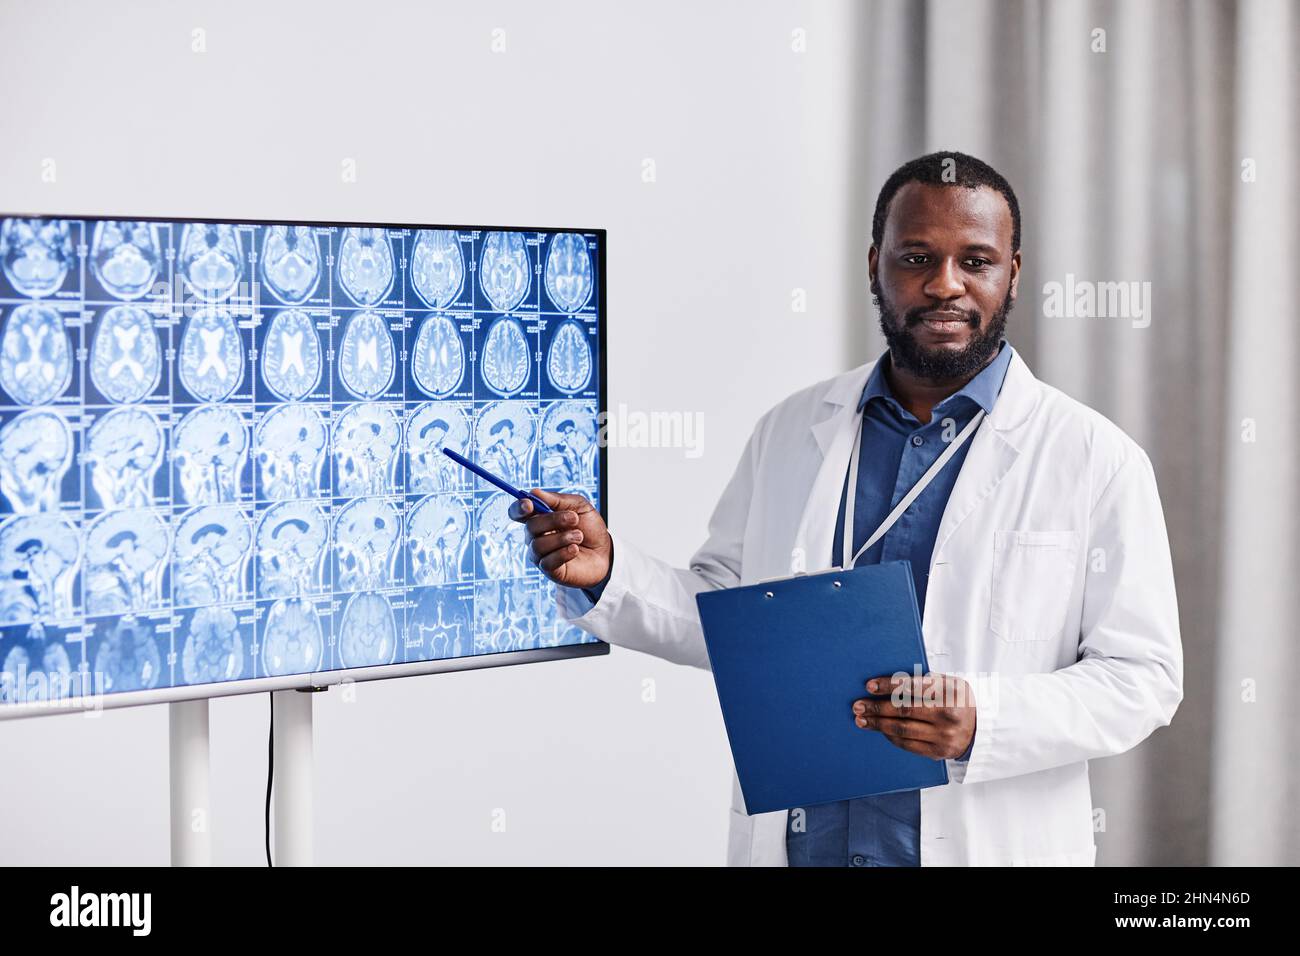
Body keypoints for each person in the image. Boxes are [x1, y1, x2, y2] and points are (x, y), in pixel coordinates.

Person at [509, 151, 1183, 867]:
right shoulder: (791, 430)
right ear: (874, 266)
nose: (944, 284)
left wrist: (988, 720)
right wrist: (610, 572)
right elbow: (733, 620)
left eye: (976, 260)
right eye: (916, 256)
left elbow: (1141, 678)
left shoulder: (1093, 459)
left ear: (1013, 274)